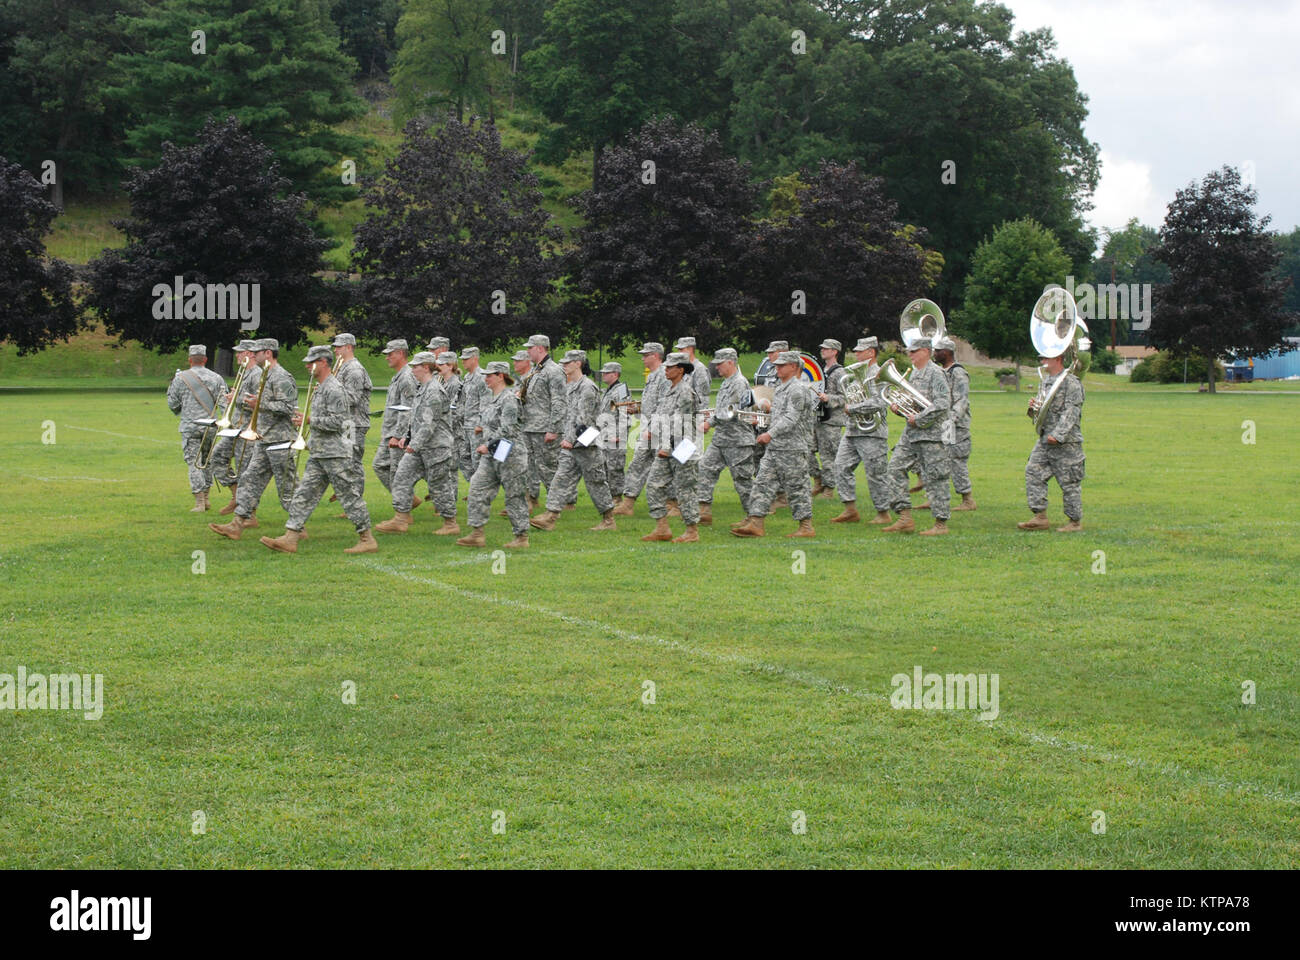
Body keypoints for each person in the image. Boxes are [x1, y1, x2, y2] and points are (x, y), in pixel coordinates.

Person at [260, 345, 376, 554]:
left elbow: (340, 421)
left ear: (323, 362)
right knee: (303, 494)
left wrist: (310, 420)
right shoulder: (322, 386)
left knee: (349, 496)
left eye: (311, 362)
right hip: (320, 452)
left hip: (335, 454)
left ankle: (367, 538)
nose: (307, 365)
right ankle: (291, 537)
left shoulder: (333, 388)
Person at [209, 338, 298, 539]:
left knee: (287, 489)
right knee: (249, 480)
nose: (252, 355)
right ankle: (237, 524)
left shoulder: (282, 377)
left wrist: (260, 402)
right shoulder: (266, 375)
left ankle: (298, 529)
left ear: (268, 353)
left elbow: (288, 408)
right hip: (264, 438)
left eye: (256, 352)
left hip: (280, 440)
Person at [374, 352, 459, 535]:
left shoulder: (434, 391)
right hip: (420, 448)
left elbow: (429, 424)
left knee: (439, 486)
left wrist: (415, 444)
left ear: (426, 367)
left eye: (415, 366)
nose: (412, 369)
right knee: (401, 477)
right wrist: (408, 437)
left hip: (436, 448)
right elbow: (416, 418)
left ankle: (450, 524)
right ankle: (400, 519)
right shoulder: (423, 388)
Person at [732, 351, 816, 538]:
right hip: (776, 447)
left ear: (794, 367)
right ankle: (756, 523)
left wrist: (769, 433)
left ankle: (806, 527)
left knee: (797, 487)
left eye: (781, 365)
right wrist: (762, 421)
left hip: (792, 448)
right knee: (762, 483)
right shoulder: (782, 388)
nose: (776, 368)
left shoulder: (798, 389)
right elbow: (779, 416)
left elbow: (791, 417)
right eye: (776, 365)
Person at [531, 350, 617, 532]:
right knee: (560, 479)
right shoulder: (570, 387)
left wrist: (570, 439)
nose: (564, 365)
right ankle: (550, 516)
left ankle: (609, 519)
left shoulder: (587, 387)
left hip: (587, 444)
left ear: (578, 363)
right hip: (571, 445)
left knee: (596, 482)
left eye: (567, 363)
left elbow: (584, 420)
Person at [457, 361, 531, 549]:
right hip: (492, 454)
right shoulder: (492, 398)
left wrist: (487, 444)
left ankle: (521, 537)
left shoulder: (509, 399)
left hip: (510, 453)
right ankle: (477, 533)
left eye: (490, 375)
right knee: (477, 487)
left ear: (500, 376)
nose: (486, 378)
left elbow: (508, 428)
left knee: (514, 495)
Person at [882, 338, 952, 535]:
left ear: (926, 351)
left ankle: (940, 524)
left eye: (914, 351)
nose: (910, 354)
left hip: (933, 434)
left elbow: (943, 403)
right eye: (909, 351)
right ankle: (904, 517)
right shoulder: (913, 374)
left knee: (936, 477)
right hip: (912, 433)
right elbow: (911, 403)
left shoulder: (936, 373)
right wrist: (898, 409)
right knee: (894, 468)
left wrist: (919, 417)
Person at [1019, 350, 1085, 532]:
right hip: (1045, 439)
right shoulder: (1046, 382)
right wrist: (1033, 408)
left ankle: (1074, 522)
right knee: (1033, 472)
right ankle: (1040, 516)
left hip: (1066, 443)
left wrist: (1058, 434)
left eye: (1045, 358)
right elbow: (1041, 412)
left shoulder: (1071, 382)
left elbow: (1072, 411)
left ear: (1058, 359)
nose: (1042, 361)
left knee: (1069, 481)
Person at [831, 337, 892, 524]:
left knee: (875, 473)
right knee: (840, 466)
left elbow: (879, 402)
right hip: (852, 430)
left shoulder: (879, 375)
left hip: (872, 433)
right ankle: (850, 509)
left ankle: (883, 513)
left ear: (871, 352)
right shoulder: (856, 374)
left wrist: (853, 408)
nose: (856, 353)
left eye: (860, 351)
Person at [642, 352, 701, 542]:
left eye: (670, 367)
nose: (665, 370)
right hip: (668, 445)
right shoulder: (669, 390)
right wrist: (651, 430)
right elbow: (660, 414)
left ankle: (692, 531)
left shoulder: (685, 391)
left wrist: (666, 447)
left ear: (680, 370)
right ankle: (662, 528)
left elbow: (679, 423)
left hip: (684, 446)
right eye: (665, 366)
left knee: (685, 488)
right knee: (653, 485)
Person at [697, 347, 756, 524]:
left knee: (742, 481)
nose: (717, 368)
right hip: (721, 439)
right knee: (705, 469)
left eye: (720, 364)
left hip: (738, 440)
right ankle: (704, 511)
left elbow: (731, 411)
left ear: (730, 362)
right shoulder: (726, 382)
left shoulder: (739, 383)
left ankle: (754, 518)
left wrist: (709, 422)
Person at [166, 344, 227, 512]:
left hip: (190, 426)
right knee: (208, 462)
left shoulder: (180, 378)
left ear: (189, 360)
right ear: (205, 359)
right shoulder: (217, 378)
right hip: (211, 426)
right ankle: (207, 498)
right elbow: (225, 404)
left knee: (194, 463)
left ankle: (199, 502)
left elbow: (172, 404)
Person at [612, 342, 668, 515]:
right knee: (637, 464)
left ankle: (674, 504)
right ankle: (628, 503)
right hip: (647, 428)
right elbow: (651, 403)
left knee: (667, 466)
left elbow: (664, 405)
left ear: (656, 356)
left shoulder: (665, 374)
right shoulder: (652, 376)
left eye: (646, 355)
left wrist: (653, 428)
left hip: (661, 429)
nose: (643, 358)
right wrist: (637, 409)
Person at [209, 339, 263, 515]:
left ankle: (249, 514)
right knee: (217, 457)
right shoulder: (243, 372)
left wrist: (236, 400)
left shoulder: (257, 374)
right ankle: (236, 496)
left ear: (249, 354)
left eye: (240, 352)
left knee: (246, 470)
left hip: (248, 429)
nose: (237, 355)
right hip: (235, 426)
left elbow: (260, 403)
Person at [925, 336, 976, 512]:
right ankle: (933, 496)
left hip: (955, 425)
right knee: (938, 459)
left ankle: (967, 499)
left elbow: (962, 400)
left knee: (956, 461)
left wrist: (950, 420)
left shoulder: (958, 372)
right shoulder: (940, 372)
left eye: (938, 351)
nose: (935, 353)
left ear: (947, 352)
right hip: (943, 423)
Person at [519, 334, 566, 510]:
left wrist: (553, 429)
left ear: (540, 348)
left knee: (548, 469)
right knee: (529, 466)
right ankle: (531, 501)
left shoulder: (553, 371)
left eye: (530, 348)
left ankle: (556, 506)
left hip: (543, 428)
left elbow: (559, 401)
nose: (527, 351)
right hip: (529, 426)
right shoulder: (535, 370)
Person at [373, 339, 416, 495]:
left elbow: (407, 409)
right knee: (380, 465)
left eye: (390, 354)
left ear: (400, 353)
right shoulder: (400, 376)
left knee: (397, 473)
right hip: (390, 432)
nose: (387, 357)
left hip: (398, 434)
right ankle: (407, 502)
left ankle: (404, 510)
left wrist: (398, 436)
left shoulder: (406, 377)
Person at [331, 332, 372, 479]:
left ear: (348, 347)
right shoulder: (342, 367)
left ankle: (356, 498)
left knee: (352, 464)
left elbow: (352, 398)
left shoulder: (354, 369)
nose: (335, 350)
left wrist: (329, 395)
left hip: (354, 424)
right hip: (346, 422)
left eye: (338, 347)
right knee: (344, 462)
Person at [811, 338, 846, 498]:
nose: (822, 350)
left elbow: (845, 397)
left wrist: (829, 398)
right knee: (808, 449)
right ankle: (818, 479)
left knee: (828, 455)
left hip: (831, 420)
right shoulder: (819, 370)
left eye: (826, 349)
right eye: (822, 348)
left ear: (834, 352)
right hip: (817, 418)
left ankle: (829, 489)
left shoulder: (840, 372)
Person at [597, 361, 631, 497]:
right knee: (605, 467)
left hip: (615, 436)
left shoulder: (621, 390)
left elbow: (625, 414)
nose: (603, 375)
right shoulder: (608, 390)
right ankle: (609, 498)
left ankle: (617, 498)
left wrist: (619, 435)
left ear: (615, 374)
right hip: (605, 435)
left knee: (614, 468)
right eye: (603, 373)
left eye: (607, 373)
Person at [459, 346, 488, 485]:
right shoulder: (467, 377)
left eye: (466, 359)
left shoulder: (482, 377)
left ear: (475, 358)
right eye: (462, 359)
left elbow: (486, 402)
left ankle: (479, 490)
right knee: (463, 457)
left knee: (477, 459)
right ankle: (475, 487)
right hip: (466, 425)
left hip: (476, 426)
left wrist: (481, 424)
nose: (463, 362)